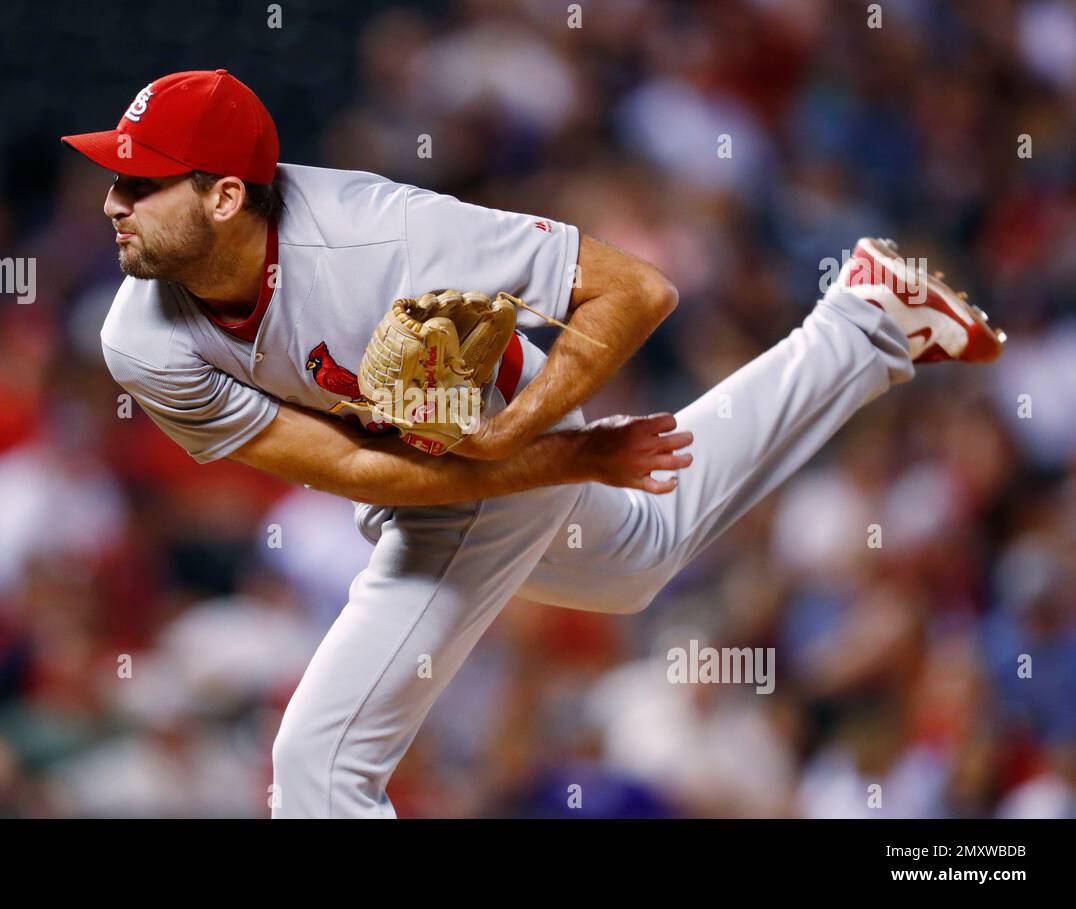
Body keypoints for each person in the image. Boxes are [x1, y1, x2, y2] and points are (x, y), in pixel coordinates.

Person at [61, 70, 1005, 818]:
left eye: (139, 182)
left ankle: (861, 324)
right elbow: (350, 465)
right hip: (429, 463)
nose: (112, 201)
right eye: (116, 177)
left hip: (495, 418)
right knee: (636, 555)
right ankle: (867, 320)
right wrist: (571, 460)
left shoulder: (380, 237)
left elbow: (635, 290)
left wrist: (518, 436)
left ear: (226, 196)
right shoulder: (140, 339)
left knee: (321, 757)